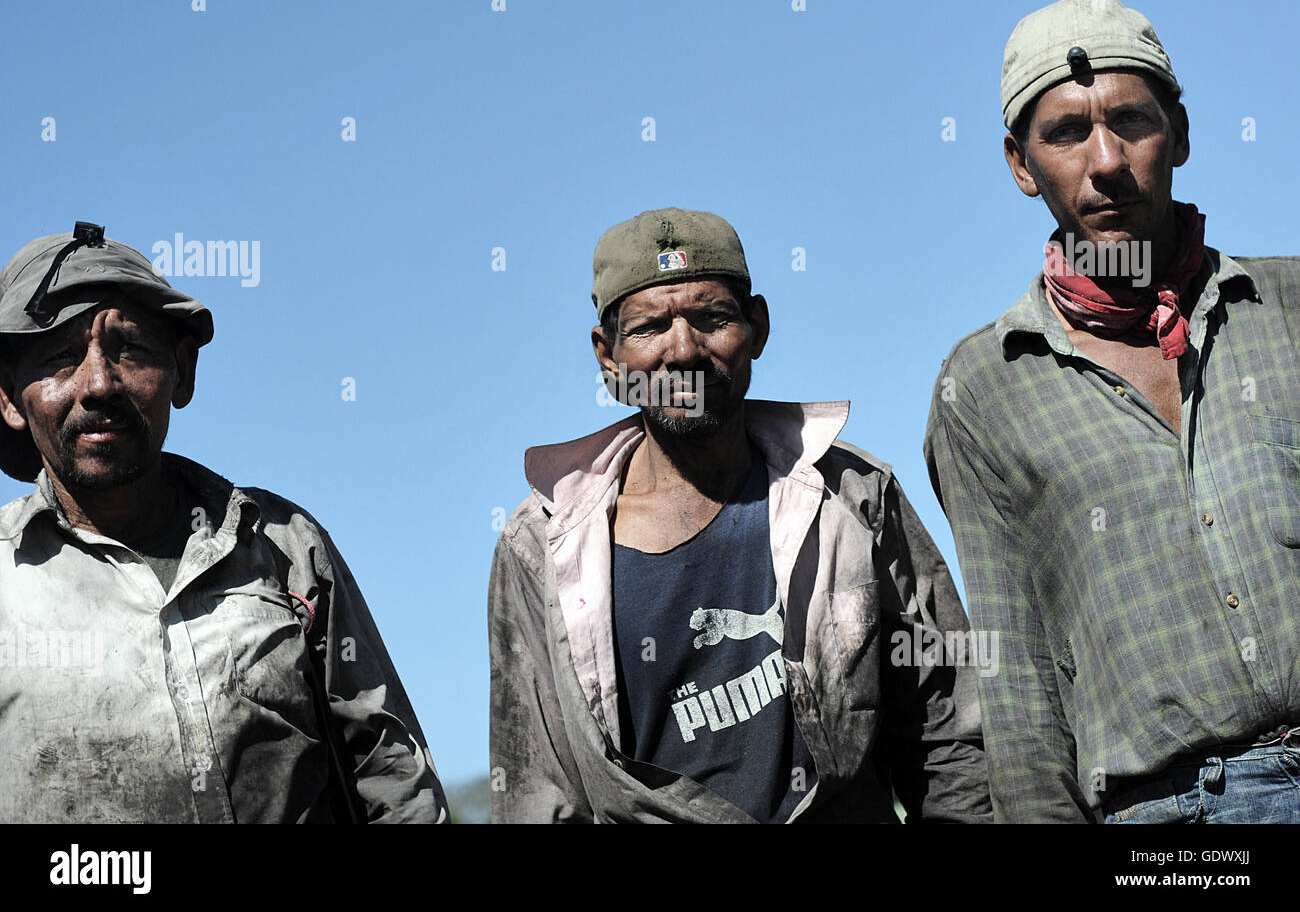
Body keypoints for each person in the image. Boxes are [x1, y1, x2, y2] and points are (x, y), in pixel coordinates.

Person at [924, 0, 1300, 823]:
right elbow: (1019, 687)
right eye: (1065, 133)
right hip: (1175, 816)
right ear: (1021, 166)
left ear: (1183, 135)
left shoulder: (1289, 305)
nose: (1106, 160)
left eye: (1131, 120)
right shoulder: (985, 386)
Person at [490, 206, 990, 823]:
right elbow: (539, 789)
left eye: (712, 318)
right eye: (648, 328)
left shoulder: (850, 495)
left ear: (757, 327)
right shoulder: (541, 545)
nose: (684, 351)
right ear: (608, 358)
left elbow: (948, 734)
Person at [0, 221, 448, 823]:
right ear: (9, 398)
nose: (99, 383)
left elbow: (392, 780)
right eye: (59, 356)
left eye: (129, 347)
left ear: (182, 371)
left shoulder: (282, 545)